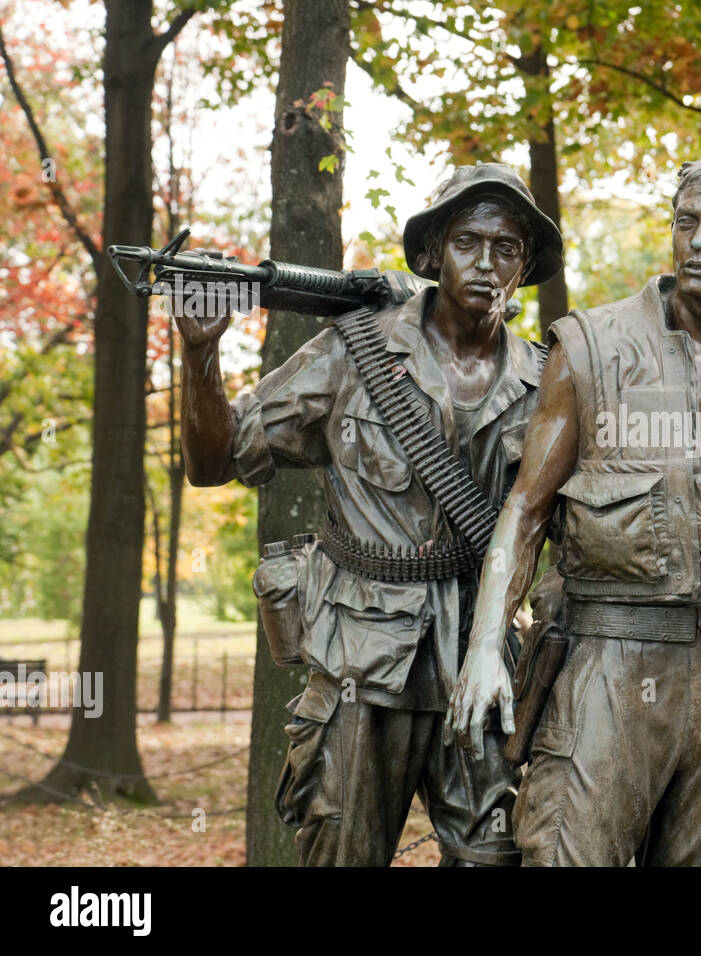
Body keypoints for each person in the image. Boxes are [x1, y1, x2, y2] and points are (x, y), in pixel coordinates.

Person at [446, 150, 701, 866]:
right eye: (685, 222)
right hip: (609, 656)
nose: (698, 241)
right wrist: (485, 645)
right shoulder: (590, 345)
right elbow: (526, 507)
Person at [173, 163, 563, 866]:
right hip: (361, 660)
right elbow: (213, 461)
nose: (485, 262)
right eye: (467, 241)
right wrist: (200, 355)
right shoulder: (355, 354)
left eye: (506, 248)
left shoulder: (545, 381)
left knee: (495, 858)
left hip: (482, 660)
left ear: (526, 264)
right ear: (434, 252)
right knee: (343, 852)